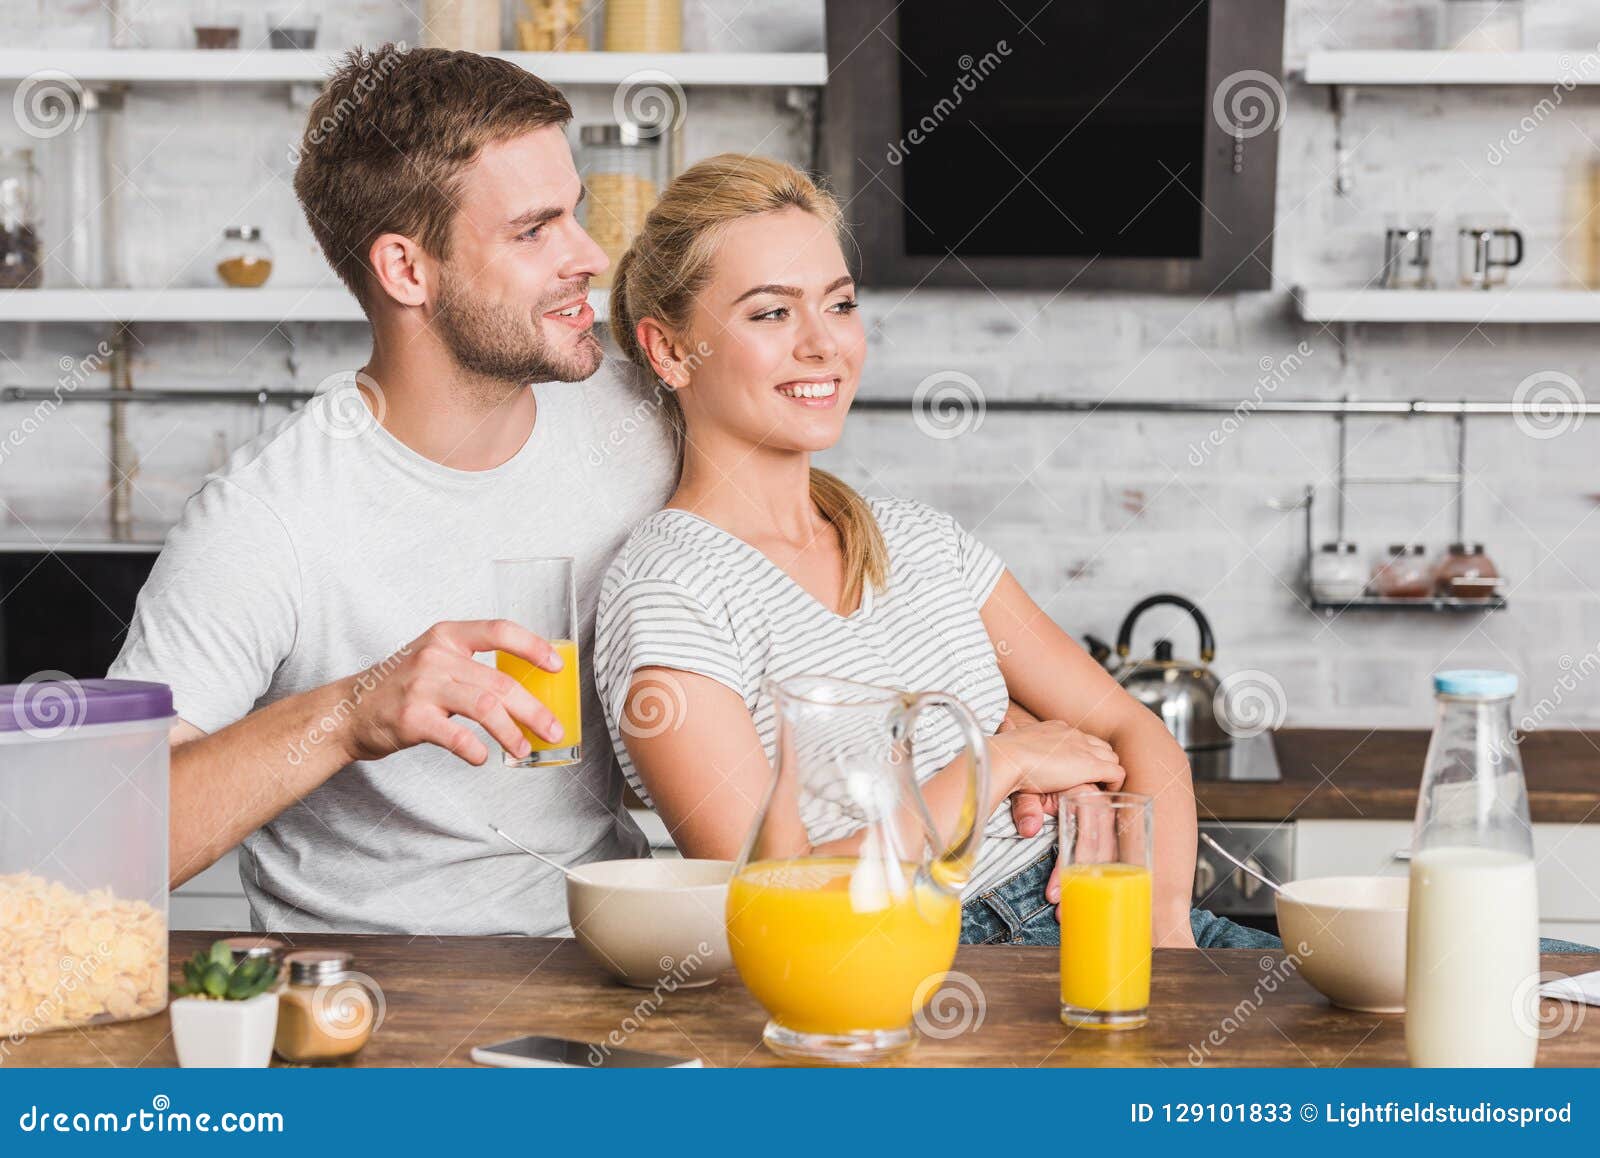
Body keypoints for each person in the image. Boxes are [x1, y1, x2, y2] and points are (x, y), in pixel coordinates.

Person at [592, 153, 1278, 950]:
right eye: (771, 314)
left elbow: (1136, 731)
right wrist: (1000, 768)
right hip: (920, 961)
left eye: (839, 304)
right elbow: (775, 903)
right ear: (671, 352)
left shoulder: (919, 542)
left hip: (1115, 930)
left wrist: (1158, 936)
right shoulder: (672, 594)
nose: (824, 345)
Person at [108, 46, 678, 935]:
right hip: (373, 1003)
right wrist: (349, 712)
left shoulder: (642, 418)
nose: (591, 255)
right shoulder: (267, 519)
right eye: (535, 231)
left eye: (574, 214)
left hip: (610, 960)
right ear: (407, 271)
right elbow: (109, 847)